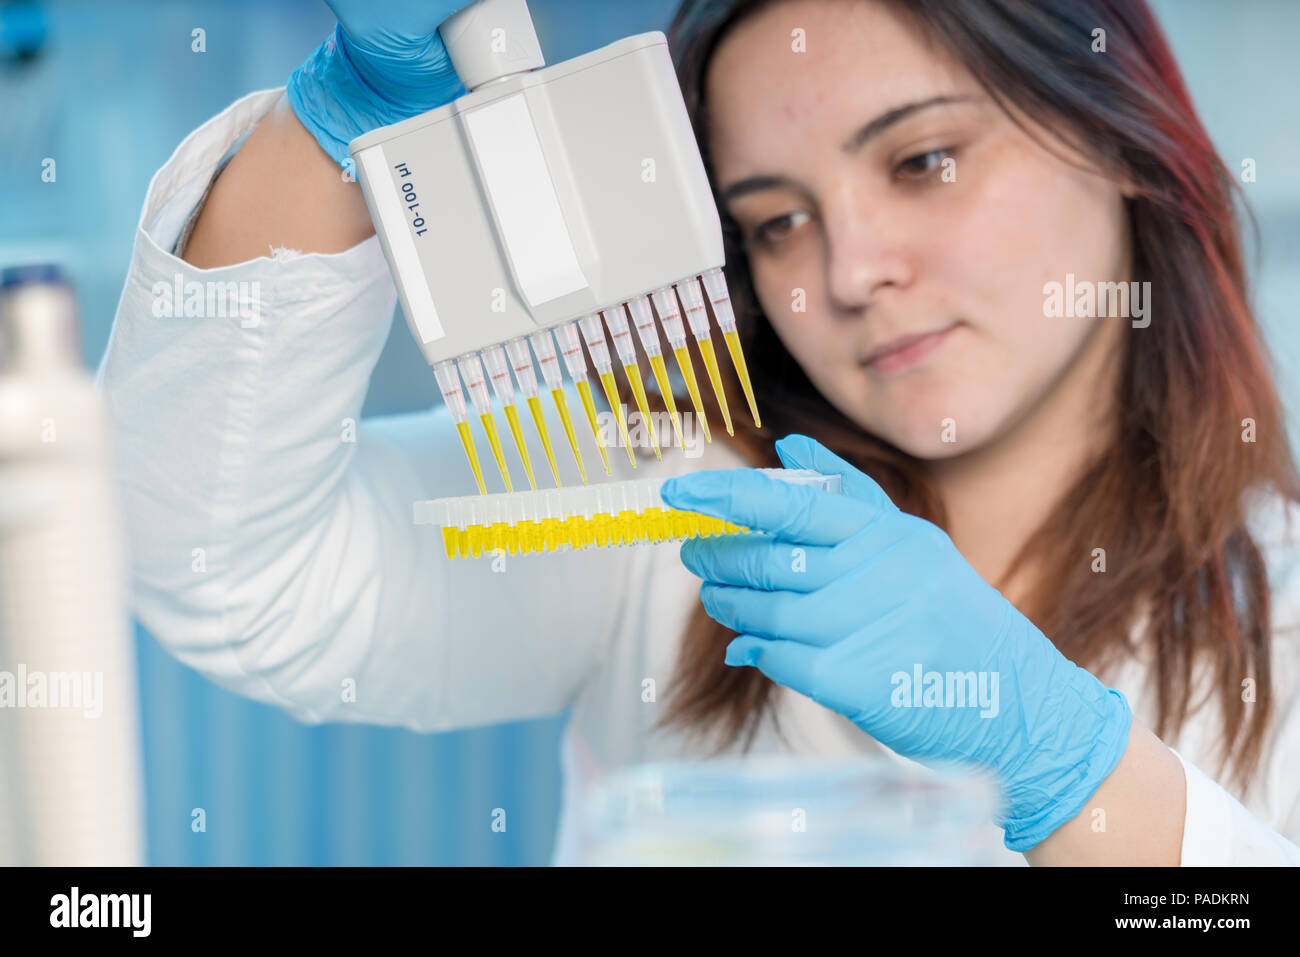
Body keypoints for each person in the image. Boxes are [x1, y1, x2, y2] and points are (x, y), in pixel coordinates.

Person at [98, 0, 1300, 865]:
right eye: (774, 222)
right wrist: (333, 128)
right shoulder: (661, 502)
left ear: (1120, 138)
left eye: (923, 159)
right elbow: (223, 569)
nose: (852, 269)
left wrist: (1065, 762)